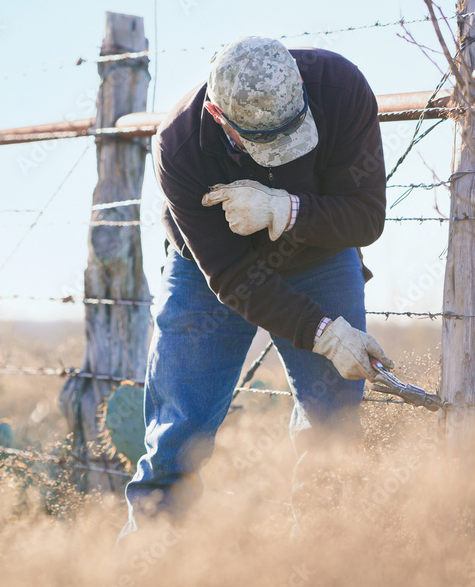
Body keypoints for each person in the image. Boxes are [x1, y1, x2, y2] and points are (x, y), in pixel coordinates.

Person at [122, 37, 392, 537]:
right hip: (211, 273)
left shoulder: (341, 88)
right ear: (221, 118)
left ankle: (320, 570)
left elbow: (367, 217)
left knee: (332, 429)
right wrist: (327, 334)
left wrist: (286, 209)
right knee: (178, 434)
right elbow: (230, 277)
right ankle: (149, 570)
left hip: (320, 254)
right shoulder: (179, 144)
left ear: (303, 90)